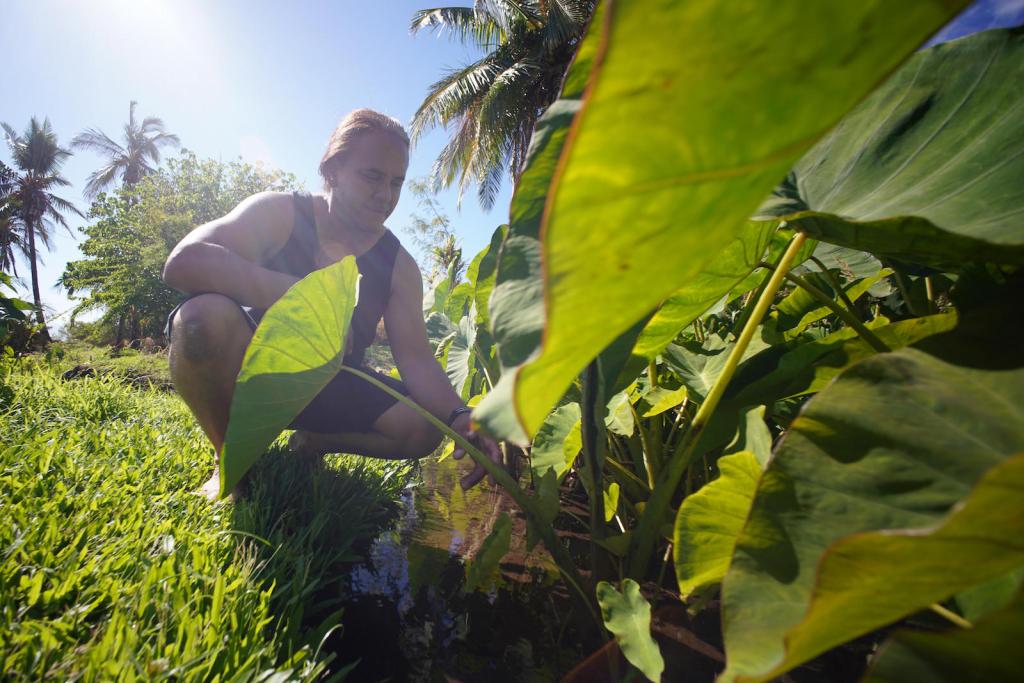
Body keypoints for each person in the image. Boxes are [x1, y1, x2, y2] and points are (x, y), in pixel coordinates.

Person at [162, 109, 502, 494]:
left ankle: (314, 441)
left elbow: (417, 358)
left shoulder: (399, 266)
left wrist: (460, 415)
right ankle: (230, 462)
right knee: (200, 318)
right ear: (332, 170)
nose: (385, 195)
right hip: (250, 374)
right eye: (372, 176)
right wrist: (309, 299)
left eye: (396, 183)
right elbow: (183, 262)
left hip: (328, 386)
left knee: (424, 426)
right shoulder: (280, 213)